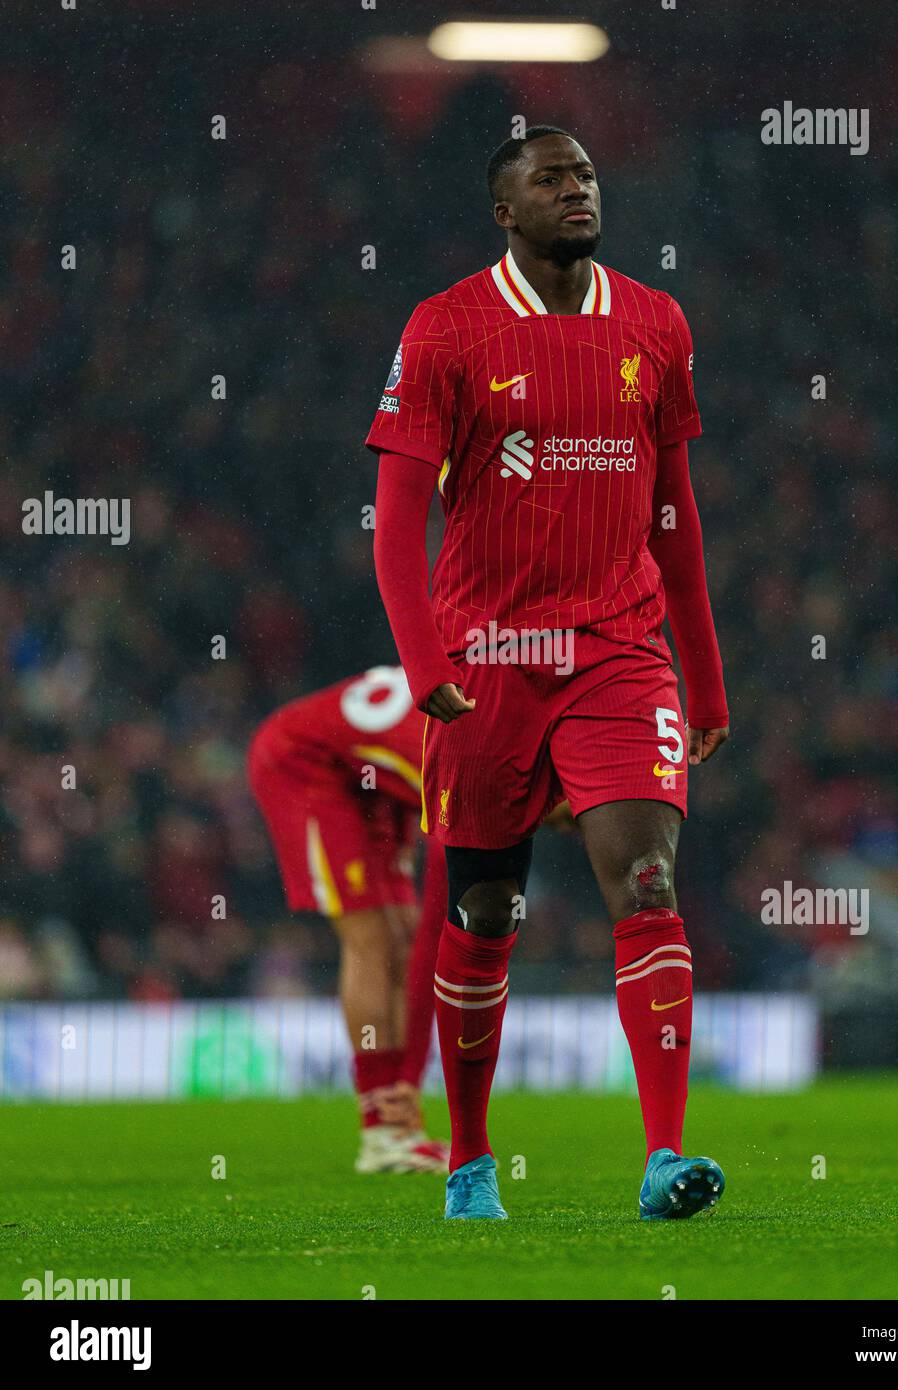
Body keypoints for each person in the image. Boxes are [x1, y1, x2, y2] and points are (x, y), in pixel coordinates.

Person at [367, 125, 730, 1221]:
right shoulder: (444, 328)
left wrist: (702, 674)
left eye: (585, 176)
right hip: (485, 661)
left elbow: (673, 513)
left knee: (649, 879)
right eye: (550, 179)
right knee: (483, 911)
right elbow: (393, 527)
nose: (577, 191)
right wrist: (425, 664)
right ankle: (469, 1157)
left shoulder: (655, 323)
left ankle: (663, 1154)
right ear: (505, 211)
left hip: (620, 649)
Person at [248, 665, 449, 1174]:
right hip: (305, 763)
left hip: (370, 776)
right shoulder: (457, 767)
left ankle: (401, 1125)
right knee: (374, 940)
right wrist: (413, 1067)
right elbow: (437, 933)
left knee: (397, 936)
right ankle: (381, 1126)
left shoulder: (465, 728)